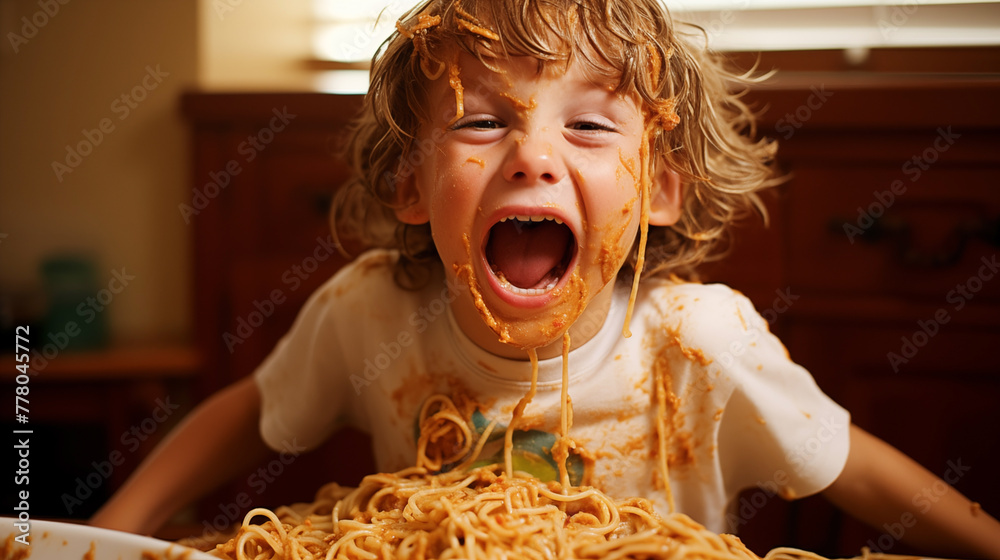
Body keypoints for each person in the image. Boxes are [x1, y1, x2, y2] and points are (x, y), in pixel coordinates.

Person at [92, 0, 1000, 557]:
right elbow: (248, 415)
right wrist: (107, 532)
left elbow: (868, 477)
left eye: (593, 129)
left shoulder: (698, 342)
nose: (532, 156)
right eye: (480, 124)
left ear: (663, 189)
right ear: (411, 184)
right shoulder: (370, 311)